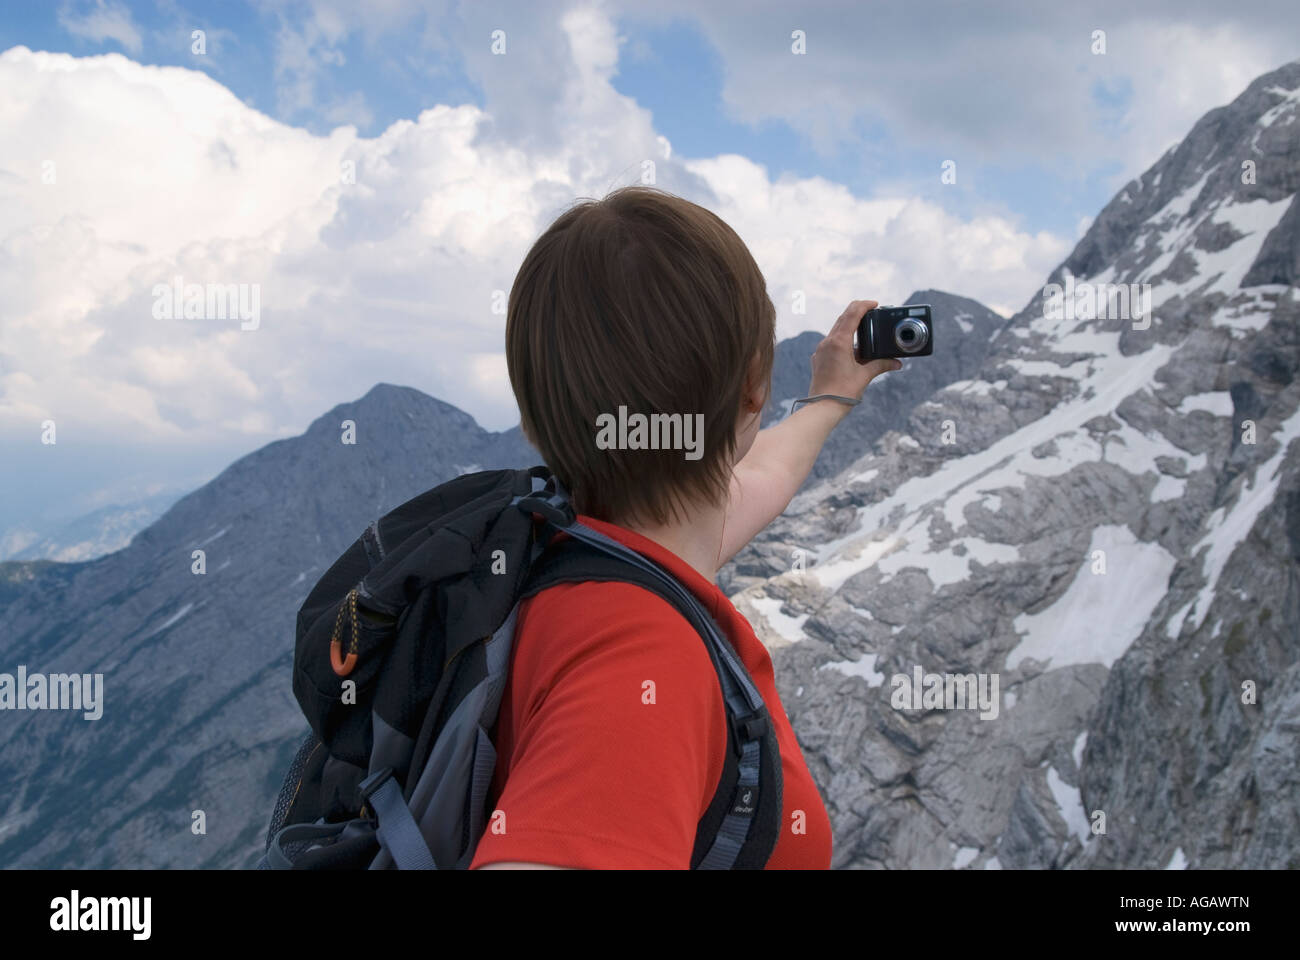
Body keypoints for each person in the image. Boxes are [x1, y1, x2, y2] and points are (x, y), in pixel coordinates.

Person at [472, 185, 899, 869]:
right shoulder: (643, 655)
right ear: (755, 388)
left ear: (530, 417)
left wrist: (831, 395)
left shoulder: (569, 555)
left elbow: (755, 482)